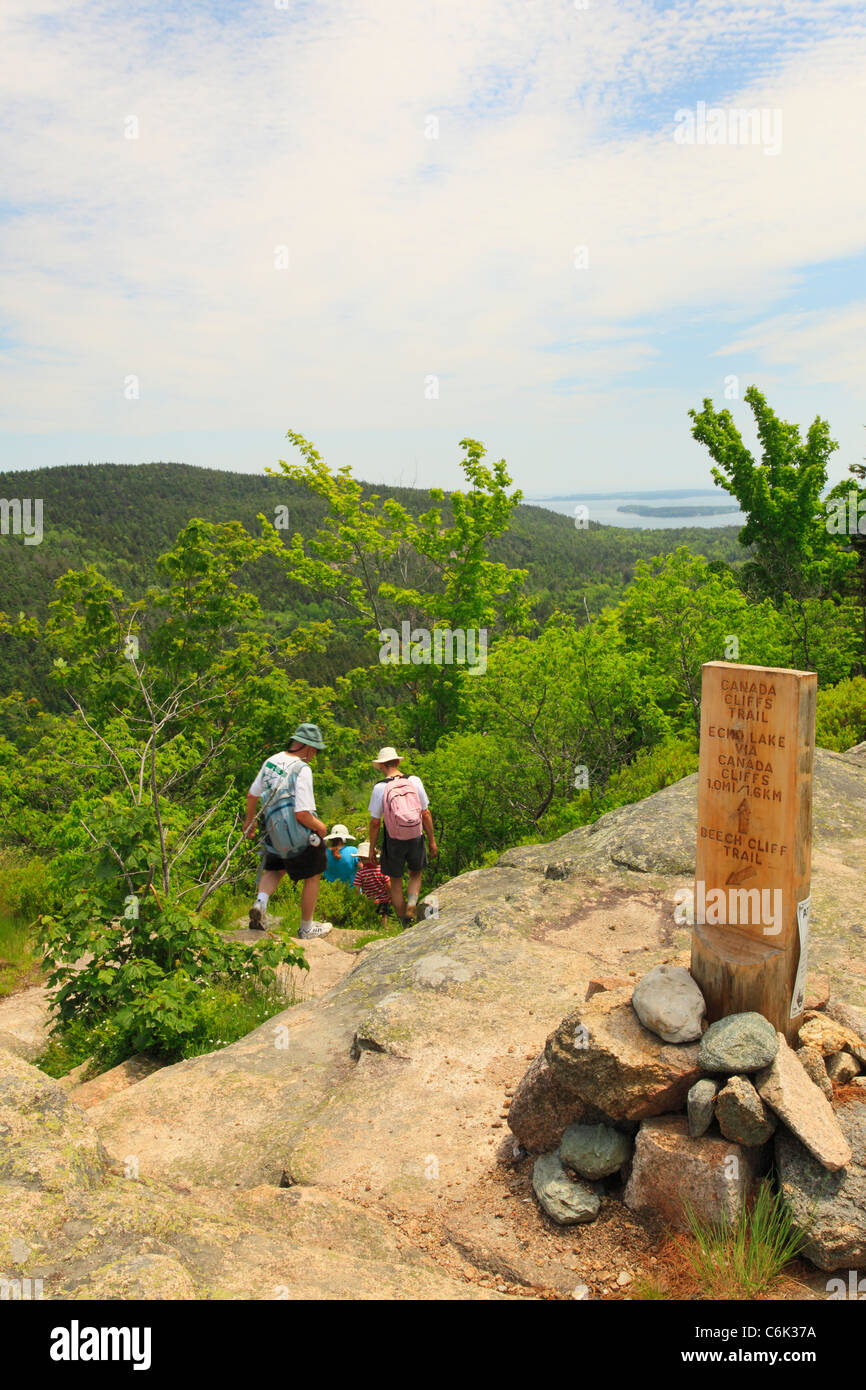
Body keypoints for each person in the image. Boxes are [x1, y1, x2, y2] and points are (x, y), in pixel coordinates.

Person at [244, 723, 333, 939]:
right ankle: (306, 928)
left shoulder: (270, 761)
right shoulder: (302, 769)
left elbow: (252, 795)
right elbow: (302, 813)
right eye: (315, 751)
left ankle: (260, 904)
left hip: (273, 832)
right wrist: (321, 828)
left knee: (274, 869)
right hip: (296, 835)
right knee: (313, 874)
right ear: (309, 748)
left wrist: (249, 823)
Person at [366, 745, 437, 926]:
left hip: (393, 839)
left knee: (395, 880)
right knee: (415, 874)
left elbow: (375, 822)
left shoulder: (380, 788)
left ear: (381, 766)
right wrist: (432, 841)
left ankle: (403, 922)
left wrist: (372, 848)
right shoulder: (415, 781)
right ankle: (412, 905)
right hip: (415, 835)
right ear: (398, 761)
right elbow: (425, 813)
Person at [353, 840, 393, 926]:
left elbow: (356, 889)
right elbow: (388, 885)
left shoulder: (360, 873)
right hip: (383, 899)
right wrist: (390, 896)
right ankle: (384, 928)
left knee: (371, 918)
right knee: (384, 916)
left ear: (361, 859)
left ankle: (371, 928)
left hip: (369, 900)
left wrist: (359, 899)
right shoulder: (382, 870)